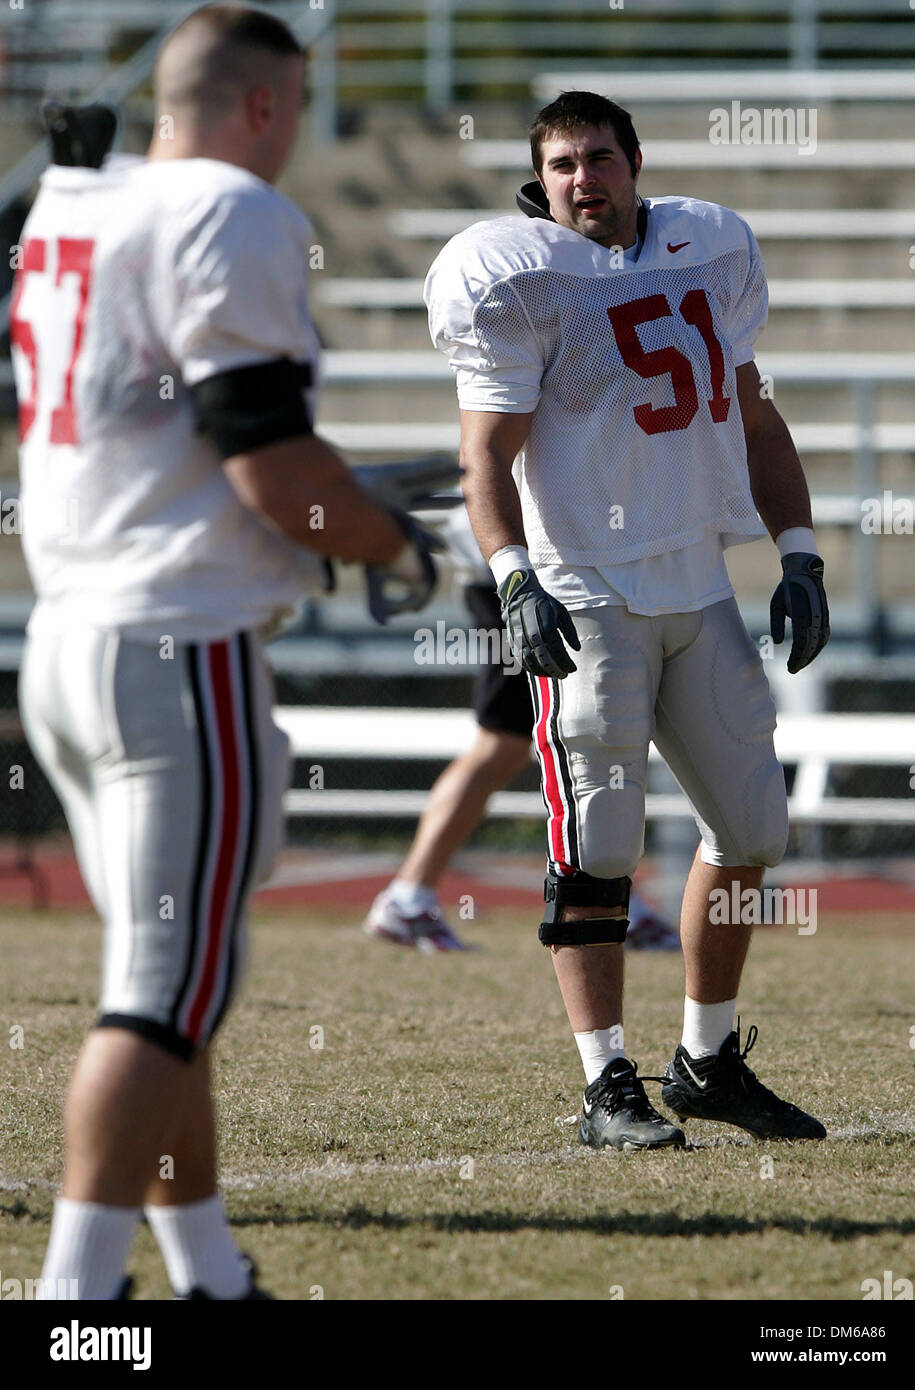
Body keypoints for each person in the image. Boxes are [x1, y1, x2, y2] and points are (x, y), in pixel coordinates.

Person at [11, 4, 435, 1298]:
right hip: (176, 646)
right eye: (295, 110)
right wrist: (388, 545)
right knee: (164, 993)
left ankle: (209, 1269)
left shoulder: (70, 205)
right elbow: (271, 463)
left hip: (71, 636)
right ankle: (76, 1298)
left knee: (171, 979)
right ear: (264, 104)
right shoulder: (229, 211)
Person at [423, 90, 830, 1150]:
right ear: (539, 176)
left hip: (697, 581)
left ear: (635, 160)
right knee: (600, 841)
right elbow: (484, 455)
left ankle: (707, 1056)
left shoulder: (709, 246)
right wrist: (515, 577)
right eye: (560, 164)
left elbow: (752, 411)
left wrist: (798, 551)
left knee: (750, 832)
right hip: (587, 588)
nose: (581, 179)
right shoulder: (516, 277)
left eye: (599, 157)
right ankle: (607, 1079)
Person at [364, 504, 681, 952]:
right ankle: (410, 896)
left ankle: (412, 895)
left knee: (532, 741)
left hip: (538, 567)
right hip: (525, 572)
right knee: (527, 740)